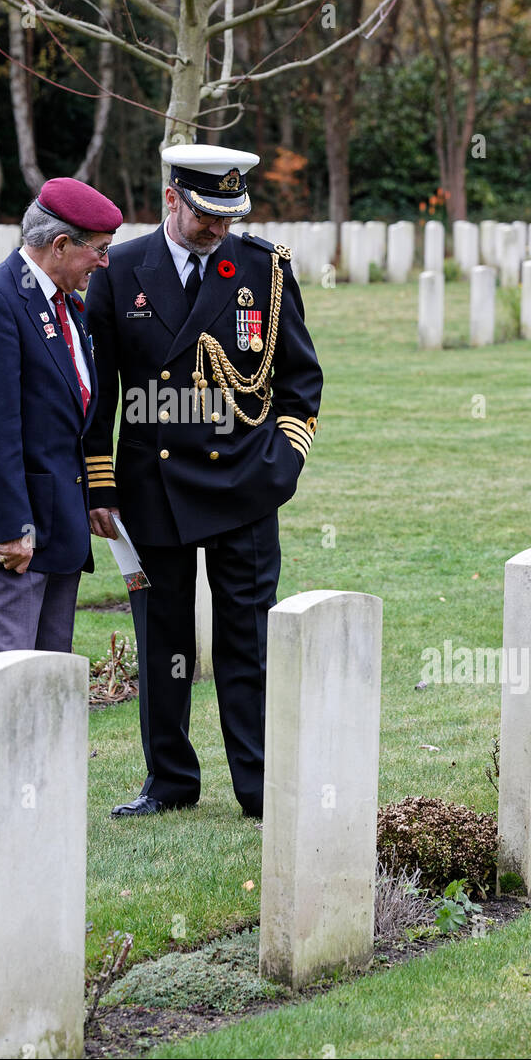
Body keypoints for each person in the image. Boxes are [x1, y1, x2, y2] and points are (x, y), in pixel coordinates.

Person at [84, 144, 323, 819]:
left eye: (229, 215)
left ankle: (259, 786)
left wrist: (283, 463)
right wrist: (99, 483)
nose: (218, 228)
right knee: (164, 640)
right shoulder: (120, 270)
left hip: (245, 484)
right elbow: (100, 392)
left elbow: (300, 378)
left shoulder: (263, 269)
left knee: (247, 638)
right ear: (171, 199)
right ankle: (169, 782)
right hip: (151, 485)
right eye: (205, 215)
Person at [0, 178, 122, 662]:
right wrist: (9, 528)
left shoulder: (69, 305)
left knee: (49, 681)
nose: (106, 262)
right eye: (100, 250)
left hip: (59, 528)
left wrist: (93, 496)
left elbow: (74, 416)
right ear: (60, 245)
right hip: (13, 538)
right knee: (5, 682)